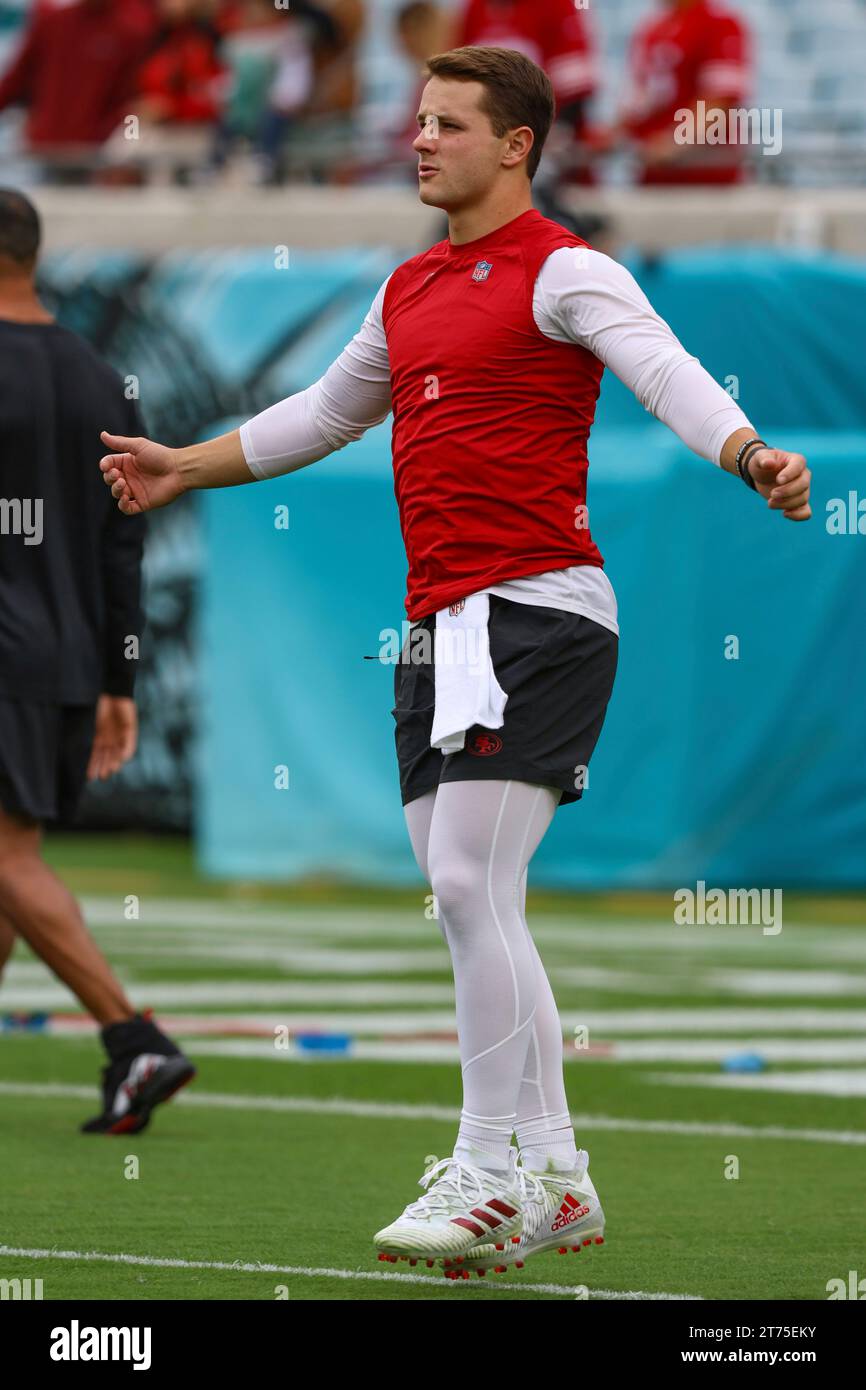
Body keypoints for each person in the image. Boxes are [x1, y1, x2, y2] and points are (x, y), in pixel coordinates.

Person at [99, 46, 811, 1272]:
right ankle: (561, 1175)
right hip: (444, 626)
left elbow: (665, 372)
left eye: (447, 124)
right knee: (473, 891)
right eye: (419, 121)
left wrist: (746, 453)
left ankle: (488, 1168)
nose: (420, 141)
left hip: (541, 610)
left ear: (517, 143)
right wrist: (185, 464)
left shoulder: (567, 270)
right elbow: (322, 413)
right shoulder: (408, 287)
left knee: (472, 890)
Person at [0, 188, 196, 1135]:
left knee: (4, 856)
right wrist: (120, 679)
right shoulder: (102, 377)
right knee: (10, 859)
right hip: (69, 654)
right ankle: (130, 1049)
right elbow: (127, 543)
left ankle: (132, 1037)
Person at [0, 0, 155, 181]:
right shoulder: (53, 23)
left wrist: (127, 149)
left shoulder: (133, 29)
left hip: (97, 157)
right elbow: (14, 82)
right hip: (45, 152)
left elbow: (136, 104)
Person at [616, 0, 752, 185]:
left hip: (705, 180)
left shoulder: (719, 22)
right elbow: (640, 101)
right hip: (655, 177)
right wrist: (612, 134)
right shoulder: (653, 28)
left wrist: (673, 144)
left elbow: (720, 100)